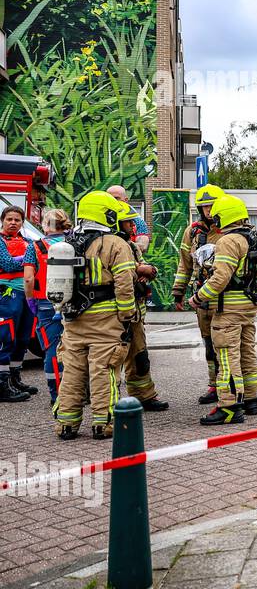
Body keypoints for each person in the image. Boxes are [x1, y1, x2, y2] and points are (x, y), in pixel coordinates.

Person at [52, 192, 138, 439]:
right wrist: (127, 314)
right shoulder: (115, 243)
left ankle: (66, 424)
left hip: (73, 320)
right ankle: (104, 423)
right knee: (104, 370)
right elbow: (124, 283)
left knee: (73, 371)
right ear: (108, 214)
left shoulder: (67, 243)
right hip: (106, 319)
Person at [192, 195, 257, 424]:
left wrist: (199, 297)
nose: (215, 221)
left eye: (217, 217)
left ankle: (229, 406)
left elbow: (221, 277)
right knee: (246, 351)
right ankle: (251, 399)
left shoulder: (228, 241)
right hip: (248, 304)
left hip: (229, 307)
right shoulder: (250, 237)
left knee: (226, 354)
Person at [106, 187, 168, 412]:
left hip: (133, 301)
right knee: (109, 357)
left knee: (139, 353)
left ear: (125, 199)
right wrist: (139, 267)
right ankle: (105, 403)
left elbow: (141, 245)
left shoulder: (134, 220)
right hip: (110, 307)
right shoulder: (98, 227)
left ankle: (143, 395)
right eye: (110, 197)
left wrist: (141, 267)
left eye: (117, 198)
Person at [171, 183, 226, 403]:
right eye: (205, 207)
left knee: (227, 342)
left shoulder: (230, 229)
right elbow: (184, 264)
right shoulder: (192, 232)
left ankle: (230, 384)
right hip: (201, 296)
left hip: (225, 297)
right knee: (208, 343)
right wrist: (179, 292)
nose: (209, 211)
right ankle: (214, 384)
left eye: (212, 206)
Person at [24, 208, 72, 403]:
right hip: (74, 304)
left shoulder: (34, 247)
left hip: (45, 304)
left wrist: (30, 301)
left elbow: (28, 278)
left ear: (45, 225)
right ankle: (80, 391)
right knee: (77, 349)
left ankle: (58, 395)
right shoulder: (74, 244)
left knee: (53, 350)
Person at [0, 205, 37, 402]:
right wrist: (30, 258)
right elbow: (7, 264)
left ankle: (15, 378)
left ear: (22, 223)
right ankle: (2, 384)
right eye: (9, 219)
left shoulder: (28, 241)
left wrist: (27, 258)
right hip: (7, 293)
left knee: (23, 338)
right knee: (7, 337)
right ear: (3, 220)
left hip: (27, 294)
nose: (13, 223)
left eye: (17, 220)